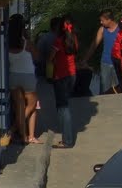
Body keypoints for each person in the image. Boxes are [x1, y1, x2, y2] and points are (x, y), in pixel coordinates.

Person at [7, 14, 41, 145]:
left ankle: (23, 136)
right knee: (32, 105)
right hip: (28, 77)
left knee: (19, 107)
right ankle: (12, 130)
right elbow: (38, 57)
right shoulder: (26, 43)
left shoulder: (7, 43)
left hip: (13, 76)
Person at [50, 16, 79, 148]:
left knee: (63, 107)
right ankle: (65, 138)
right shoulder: (74, 39)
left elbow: (50, 57)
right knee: (64, 104)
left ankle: (67, 140)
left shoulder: (58, 41)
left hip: (60, 76)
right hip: (72, 75)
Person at [81, 9, 120, 95]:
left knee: (119, 89)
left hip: (118, 64)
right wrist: (85, 59)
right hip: (105, 63)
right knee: (104, 91)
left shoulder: (120, 29)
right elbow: (94, 45)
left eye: (102, 20)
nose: (101, 22)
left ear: (109, 20)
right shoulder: (102, 30)